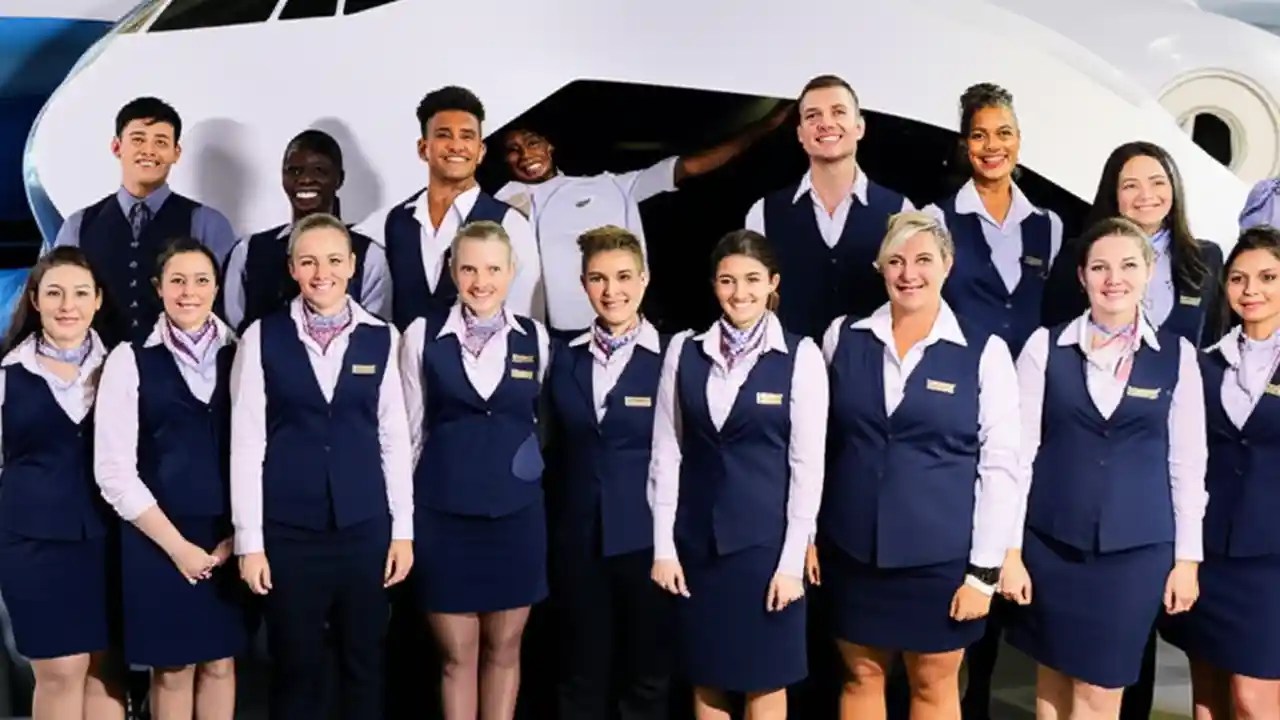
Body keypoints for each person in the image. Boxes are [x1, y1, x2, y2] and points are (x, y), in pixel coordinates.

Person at [810, 211, 1020, 720]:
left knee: (933, 683)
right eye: (896, 261)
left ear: (947, 265)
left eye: (924, 259)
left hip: (940, 559)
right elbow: (818, 447)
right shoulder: (842, 337)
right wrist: (809, 535)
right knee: (861, 676)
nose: (909, 273)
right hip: (852, 550)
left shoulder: (984, 351)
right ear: (880, 268)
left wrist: (983, 573)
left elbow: (1002, 468)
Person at [1002, 217, 1206, 718]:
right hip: (1050, 543)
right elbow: (1016, 456)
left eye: (1128, 265)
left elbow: (1187, 462)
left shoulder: (1177, 357)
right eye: (1100, 266)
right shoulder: (1044, 348)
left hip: (1134, 554)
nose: (1113, 278)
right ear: (1082, 276)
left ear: (1150, 271)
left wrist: (1187, 561)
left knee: (1098, 696)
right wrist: (1008, 550)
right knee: (1049, 687)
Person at [230, 213, 414, 720]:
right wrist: (250, 541)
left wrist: (402, 532)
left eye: (334, 260)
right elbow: (247, 444)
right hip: (290, 534)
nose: (321, 272)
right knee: (295, 669)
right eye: (308, 261)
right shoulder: (261, 337)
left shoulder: (383, 337)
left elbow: (394, 439)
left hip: (365, 530)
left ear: (353, 265)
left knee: (365, 665)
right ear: (291, 268)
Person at [650, 229, 828, 719]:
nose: (740, 292)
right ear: (713, 285)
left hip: (765, 550)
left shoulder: (801, 356)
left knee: (765, 681)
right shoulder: (685, 351)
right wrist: (664, 548)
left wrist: (792, 563)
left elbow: (808, 468)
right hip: (696, 547)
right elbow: (667, 454)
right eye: (728, 280)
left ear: (773, 282)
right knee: (706, 678)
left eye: (752, 279)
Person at [399, 220, 551, 720]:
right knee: (455, 657)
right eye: (468, 268)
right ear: (451, 271)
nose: (480, 281)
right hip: (443, 514)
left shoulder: (538, 339)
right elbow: (409, 434)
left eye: (492, 269)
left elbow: (540, 422)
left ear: (511, 273)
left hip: (517, 516)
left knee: (505, 652)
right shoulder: (422, 336)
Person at [93, 237, 247, 719]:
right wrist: (177, 547)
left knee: (222, 665)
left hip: (226, 537)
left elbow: (259, 449)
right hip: (156, 539)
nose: (189, 292)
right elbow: (113, 469)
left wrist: (236, 536)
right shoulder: (128, 359)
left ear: (217, 287)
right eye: (177, 280)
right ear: (158, 288)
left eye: (201, 280)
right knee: (173, 670)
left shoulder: (242, 352)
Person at [496, 104, 791, 339]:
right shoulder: (502, 201)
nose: (525, 155)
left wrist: (766, 125)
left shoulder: (609, 185)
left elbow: (690, 166)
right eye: (513, 149)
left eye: (532, 143)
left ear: (549, 146)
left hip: (626, 327)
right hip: (556, 335)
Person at [543, 225, 673, 719]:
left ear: (644, 280)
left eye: (622, 277)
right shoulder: (563, 357)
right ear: (583, 285)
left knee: (648, 676)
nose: (611, 290)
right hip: (578, 540)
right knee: (580, 672)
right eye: (598, 278)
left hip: (648, 541)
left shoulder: (673, 357)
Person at [0, 247, 124, 719]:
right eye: (53, 293)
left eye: (78, 293)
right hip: (32, 543)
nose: (66, 305)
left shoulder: (122, 367)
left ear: (97, 301)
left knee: (101, 669)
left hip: (107, 540)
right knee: (60, 669)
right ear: (35, 300)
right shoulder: (9, 375)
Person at [1163, 225, 1280, 720]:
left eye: (1268, 277)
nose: (1251, 290)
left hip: (1270, 561)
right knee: (1207, 698)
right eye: (1238, 278)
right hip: (1208, 553)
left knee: (1254, 699)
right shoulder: (1203, 363)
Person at [53, 97, 237, 344]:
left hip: (182, 371)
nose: (149, 151)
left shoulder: (207, 223)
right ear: (117, 147)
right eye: (138, 139)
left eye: (161, 142)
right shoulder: (78, 225)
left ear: (176, 153)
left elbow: (224, 309)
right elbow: (58, 302)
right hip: (94, 369)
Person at [744, 74, 915, 339]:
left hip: (875, 372)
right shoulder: (764, 213)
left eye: (838, 112)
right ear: (800, 133)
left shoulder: (901, 211)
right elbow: (751, 307)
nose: (826, 123)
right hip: (790, 372)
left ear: (859, 127)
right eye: (813, 116)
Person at [357, 86, 541, 329]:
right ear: (423, 149)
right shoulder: (398, 221)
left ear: (480, 151)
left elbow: (526, 322)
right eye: (444, 135)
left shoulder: (509, 223)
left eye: (467, 136)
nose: (456, 146)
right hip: (405, 364)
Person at [1043, 141, 1225, 349]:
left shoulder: (1206, 258)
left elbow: (1210, 344)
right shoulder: (1078, 254)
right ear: (1114, 194)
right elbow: (1055, 336)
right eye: (1130, 186)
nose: (1146, 195)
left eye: (1157, 182)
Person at [932, 83, 1062, 356]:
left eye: (1004, 134)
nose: (992, 146)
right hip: (962, 375)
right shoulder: (937, 219)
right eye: (979, 135)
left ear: (1018, 140)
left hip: (1028, 382)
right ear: (965, 145)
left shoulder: (1049, 225)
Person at [223, 129, 389, 331]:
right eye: (294, 171)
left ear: (339, 179)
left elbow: (374, 330)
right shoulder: (248, 251)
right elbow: (236, 327)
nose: (305, 179)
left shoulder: (370, 255)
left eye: (319, 170)